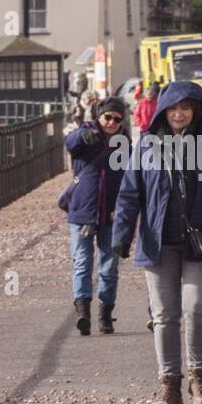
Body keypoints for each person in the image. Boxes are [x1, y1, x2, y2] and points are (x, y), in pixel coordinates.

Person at [112, 81, 202, 404]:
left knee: (197, 307)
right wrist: (121, 235)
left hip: (201, 240)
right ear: (163, 110)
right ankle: (169, 383)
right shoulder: (147, 145)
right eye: (174, 108)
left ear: (196, 111)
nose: (179, 114)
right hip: (158, 241)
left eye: (186, 108)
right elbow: (131, 192)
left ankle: (199, 378)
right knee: (164, 314)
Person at [62, 97, 129, 335]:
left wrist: (126, 211)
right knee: (82, 263)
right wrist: (83, 136)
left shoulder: (123, 142)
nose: (111, 122)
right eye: (107, 117)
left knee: (109, 267)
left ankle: (105, 314)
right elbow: (69, 142)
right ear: (98, 117)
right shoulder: (85, 133)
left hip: (111, 213)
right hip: (83, 211)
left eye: (117, 118)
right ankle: (83, 313)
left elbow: (126, 178)